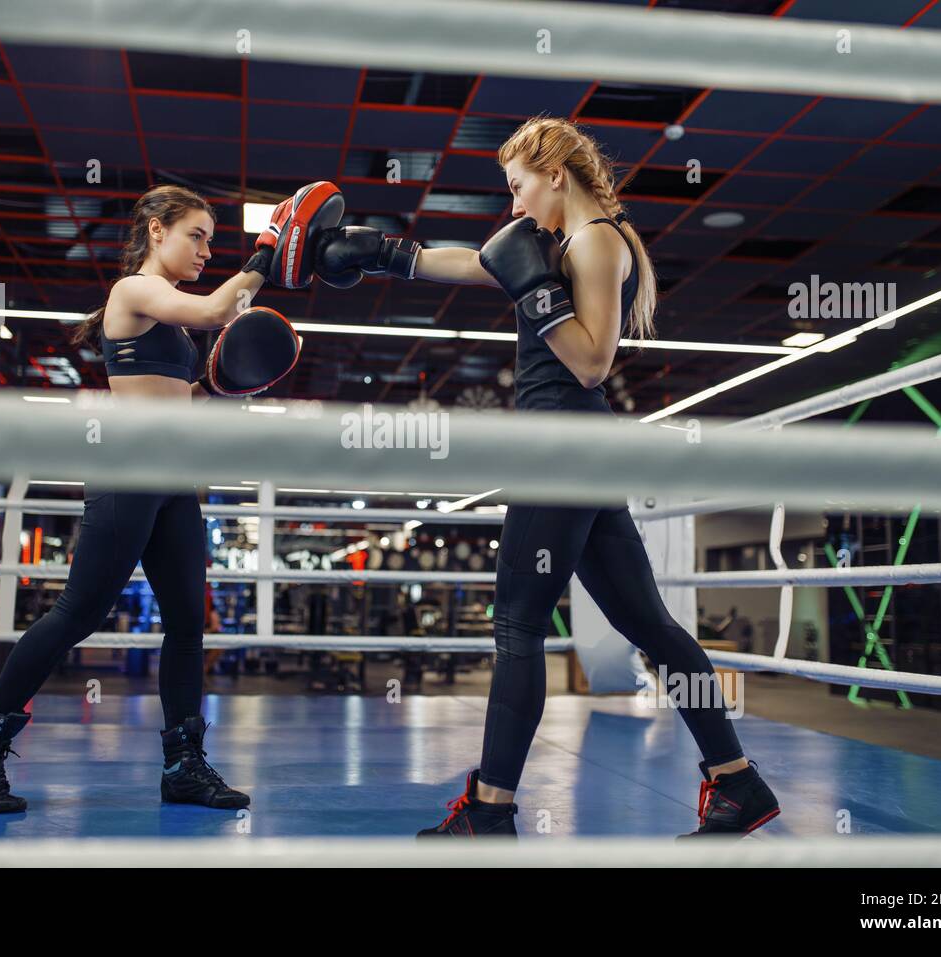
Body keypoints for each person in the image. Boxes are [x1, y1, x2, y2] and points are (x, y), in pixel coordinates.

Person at [314, 117, 779, 840]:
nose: (512, 204)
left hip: (561, 448)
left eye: (517, 186)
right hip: (579, 450)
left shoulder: (596, 242)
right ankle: (737, 781)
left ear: (555, 174)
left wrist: (534, 291)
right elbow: (480, 261)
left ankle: (492, 810)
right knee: (649, 625)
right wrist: (380, 252)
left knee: (519, 625)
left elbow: (592, 361)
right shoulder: (562, 243)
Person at [0, 182, 332, 814]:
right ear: (156, 231)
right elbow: (213, 312)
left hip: (174, 482)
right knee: (78, 614)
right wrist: (267, 252)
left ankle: (183, 765)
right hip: (127, 471)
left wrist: (231, 387)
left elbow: (186, 391)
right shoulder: (134, 292)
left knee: (185, 624)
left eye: (211, 238)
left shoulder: (171, 324)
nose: (206, 248)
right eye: (196, 235)